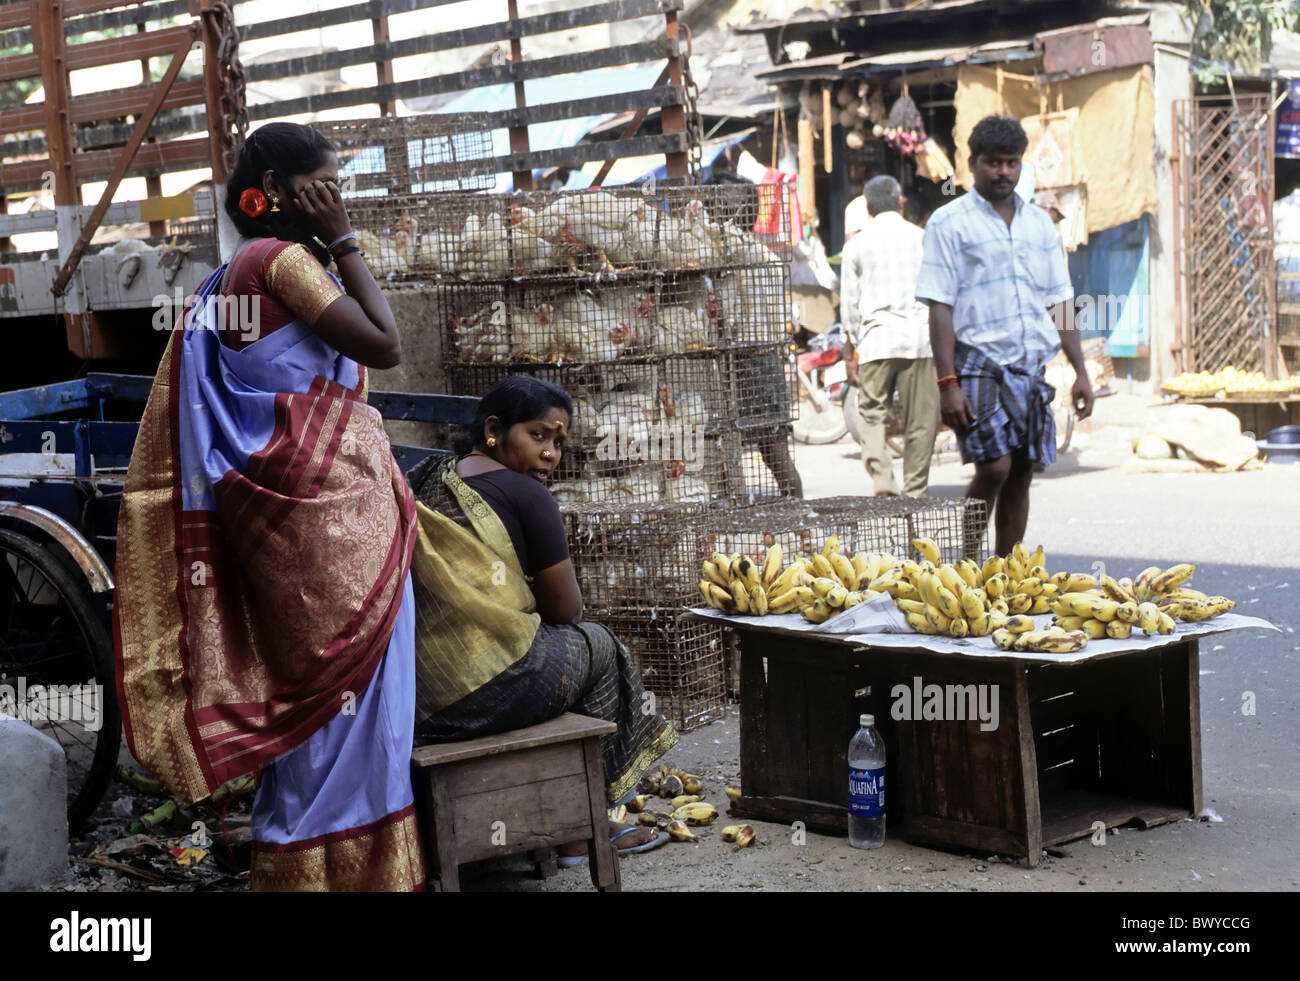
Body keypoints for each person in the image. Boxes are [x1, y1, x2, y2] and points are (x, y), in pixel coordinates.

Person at [114, 122, 425, 891]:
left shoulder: (232, 276)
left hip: (297, 528)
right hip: (331, 530)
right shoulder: (283, 262)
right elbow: (385, 345)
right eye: (326, 183)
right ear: (283, 193)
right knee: (345, 712)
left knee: (318, 708)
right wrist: (343, 238)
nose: (338, 195)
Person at [404, 376, 678, 862]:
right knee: (599, 645)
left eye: (558, 442)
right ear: (493, 429)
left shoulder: (429, 477)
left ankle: (555, 817)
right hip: (486, 687)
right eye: (538, 435)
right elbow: (565, 611)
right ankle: (585, 828)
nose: (549, 453)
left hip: (420, 694)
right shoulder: (528, 496)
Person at [914, 115, 1094, 555]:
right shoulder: (948, 223)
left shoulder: (1039, 224)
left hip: (1029, 366)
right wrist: (947, 383)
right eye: (993, 163)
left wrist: (1082, 371)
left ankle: (1007, 574)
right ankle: (968, 559)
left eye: (1011, 163)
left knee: (1022, 470)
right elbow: (940, 305)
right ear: (972, 164)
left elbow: (1059, 300)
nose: (1003, 172)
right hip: (976, 363)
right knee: (993, 466)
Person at [839, 175, 939, 497]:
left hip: (876, 341)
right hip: (919, 340)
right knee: (921, 421)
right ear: (900, 202)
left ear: (867, 208)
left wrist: (853, 345)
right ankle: (915, 490)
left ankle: (883, 480)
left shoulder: (855, 246)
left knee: (870, 415)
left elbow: (850, 305)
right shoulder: (922, 238)